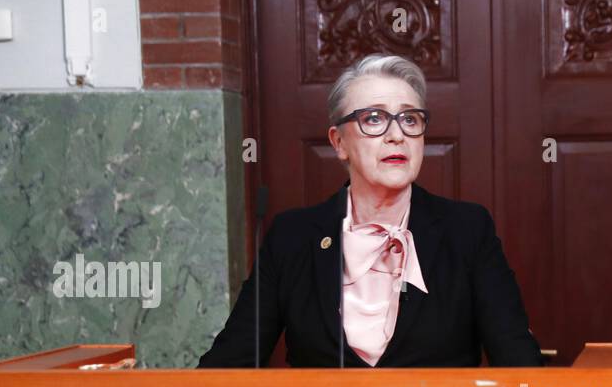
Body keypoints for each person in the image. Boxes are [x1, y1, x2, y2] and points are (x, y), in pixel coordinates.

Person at [198, 53, 544, 368]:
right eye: (375, 119)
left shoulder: (467, 230)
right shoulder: (292, 238)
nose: (397, 134)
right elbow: (228, 365)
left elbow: (518, 362)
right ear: (339, 142)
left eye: (410, 119)